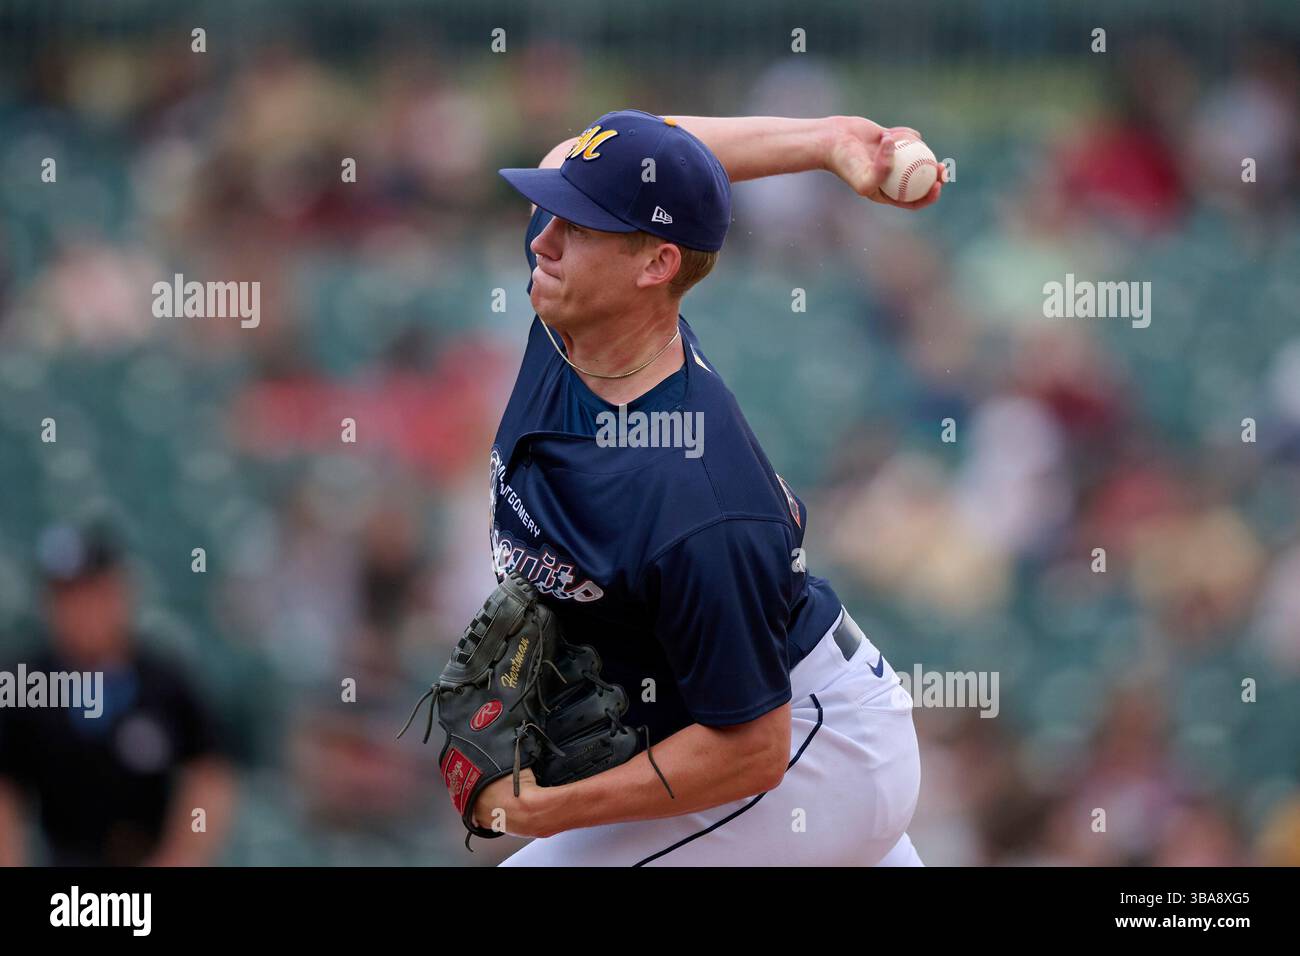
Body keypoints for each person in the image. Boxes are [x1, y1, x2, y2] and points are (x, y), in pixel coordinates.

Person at [465, 110, 942, 866]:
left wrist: (543, 810)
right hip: (748, 722)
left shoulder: (699, 500)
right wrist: (824, 143)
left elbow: (750, 749)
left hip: (810, 755)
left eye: (578, 226)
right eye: (553, 211)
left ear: (655, 265)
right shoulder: (574, 292)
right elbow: (641, 153)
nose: (543, 239)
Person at [0, 522, 235, 866]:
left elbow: (209, 777)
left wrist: (180, 858)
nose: (81, 612)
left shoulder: (164, 681)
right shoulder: (26, 684)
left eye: (91, 593)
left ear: (118, 594)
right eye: (67, 597)